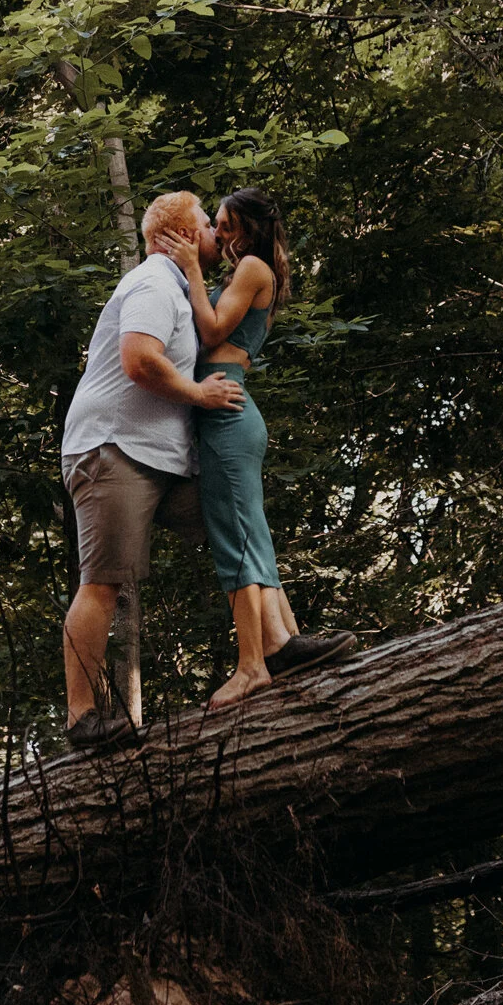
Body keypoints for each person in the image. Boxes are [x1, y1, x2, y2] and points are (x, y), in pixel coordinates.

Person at [155, 186, 359, 706]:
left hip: (227, 408)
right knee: (247, 530)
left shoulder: (252, 269)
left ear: (247, 226)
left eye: (223, 223)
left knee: (236, 536)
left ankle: (252, 667)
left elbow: (214, 328)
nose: (216, 232)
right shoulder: (245, 271)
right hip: (222, 406)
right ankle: (284, 643)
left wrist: (192, 273)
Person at [58, 191, 247, 749]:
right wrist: (199, 394)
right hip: (114, 450)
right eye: (209, 227)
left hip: (163, 460)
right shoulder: (153, 282)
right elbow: (138, 359)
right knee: (103, 582)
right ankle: (81, 720)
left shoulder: (182, 290)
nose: (218, 235)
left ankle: (275, 645)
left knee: (238, 529)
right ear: (184, 236)